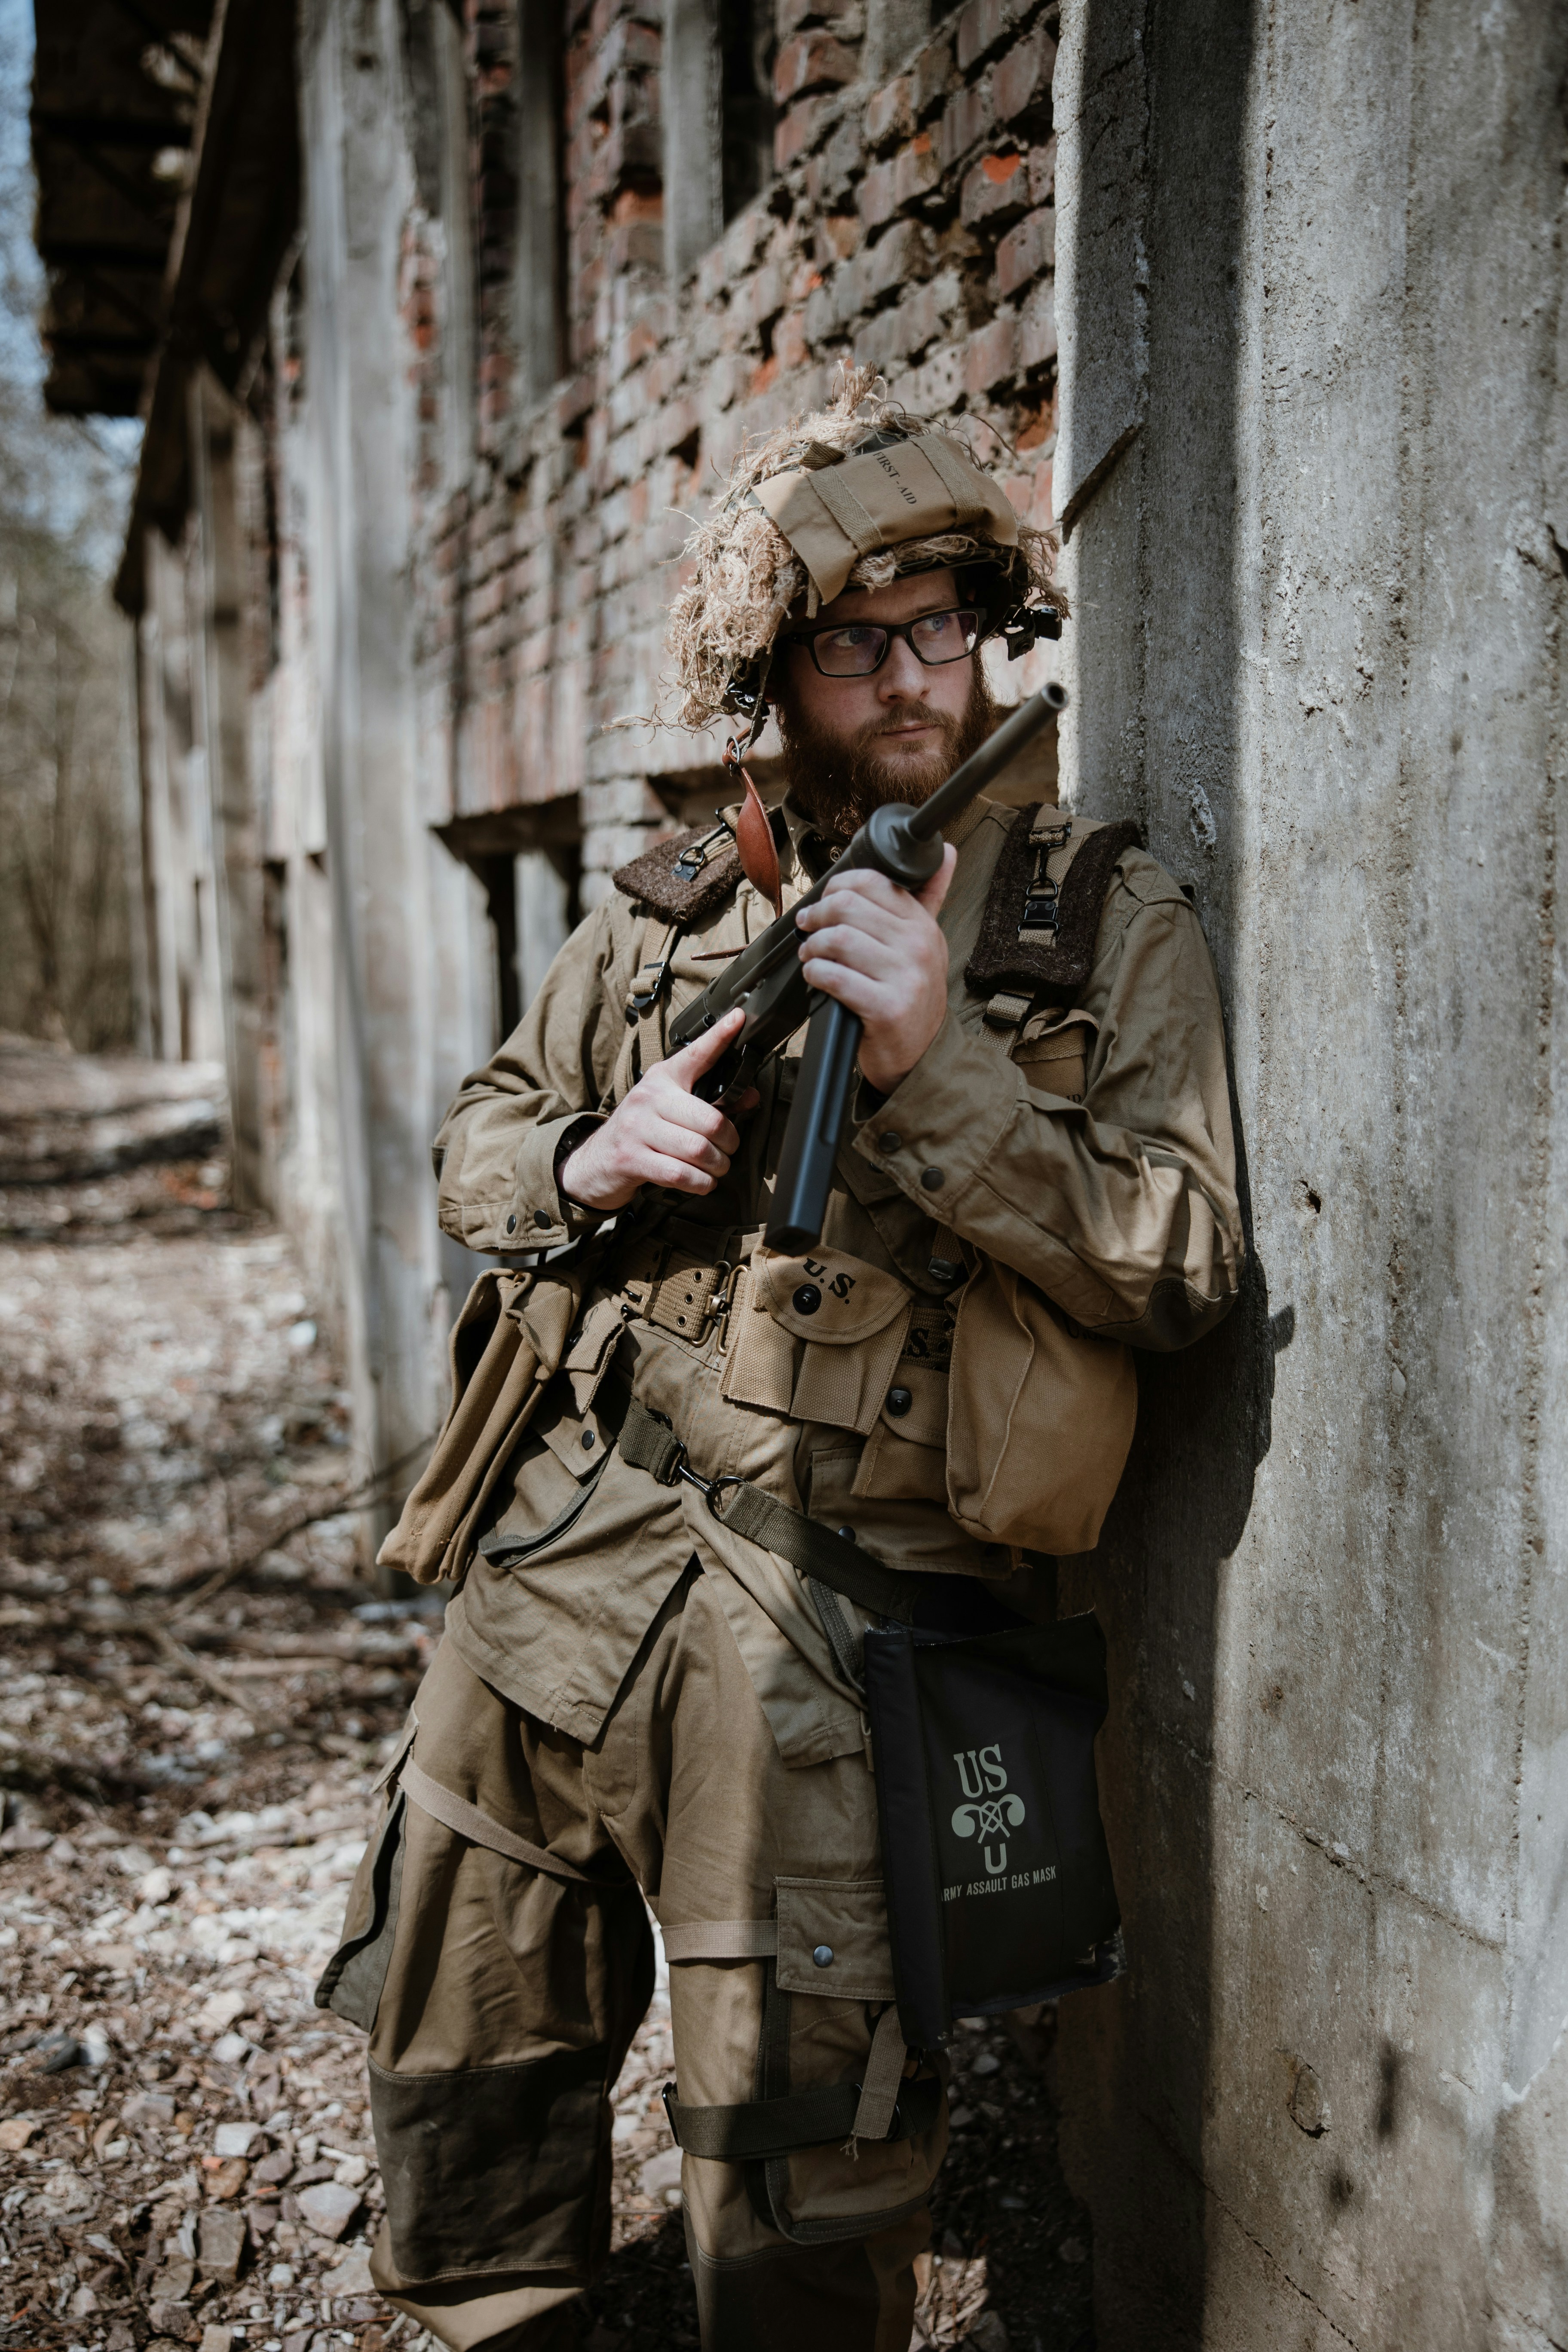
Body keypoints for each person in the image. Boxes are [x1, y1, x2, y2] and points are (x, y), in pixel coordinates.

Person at [316, 370, 1244, 2352]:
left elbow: (1183, 1264)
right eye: (855, 646)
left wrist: (946, 1072)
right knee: (465, 2013)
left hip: (829, 1630)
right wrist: (587, 1150)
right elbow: (482, 1132)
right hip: (567, 1545)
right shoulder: (676, 893)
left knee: (797, 2143)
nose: (913, 682)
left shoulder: (1102, 917)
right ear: (779, 668)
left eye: (944, 633)